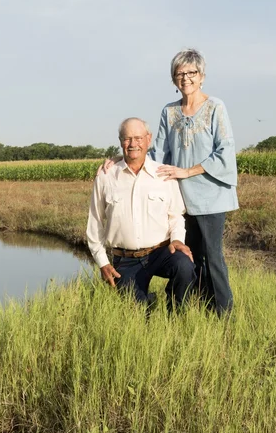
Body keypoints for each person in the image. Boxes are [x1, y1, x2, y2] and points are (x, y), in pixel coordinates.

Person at [100, 48, 238, 316]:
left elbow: (225, 152)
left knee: (212, 258)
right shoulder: (169, 111)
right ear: (174, 79)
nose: (186, 78)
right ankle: (192, 309)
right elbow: (157, 152)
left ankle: (223, 314)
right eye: (180, 73)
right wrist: (123, 156)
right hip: (181, 198)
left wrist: (187, 171)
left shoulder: (215, 107)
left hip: (211, 198)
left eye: (191, 72)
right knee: (189, 257)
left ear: (202, 76)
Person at [86, 117, 195, 312]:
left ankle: (177, 314)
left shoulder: (163, 174)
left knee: (184, 266)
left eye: (138, 138)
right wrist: (103, 263)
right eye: (127, 139)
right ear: (120, 141)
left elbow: (176, 216)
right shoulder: (105, 177)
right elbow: (95, 223)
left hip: (161, 252)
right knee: (137, 315)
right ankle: (148, 301)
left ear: (148, 139)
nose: (133, 144)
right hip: (125, 258)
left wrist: (178, 240)